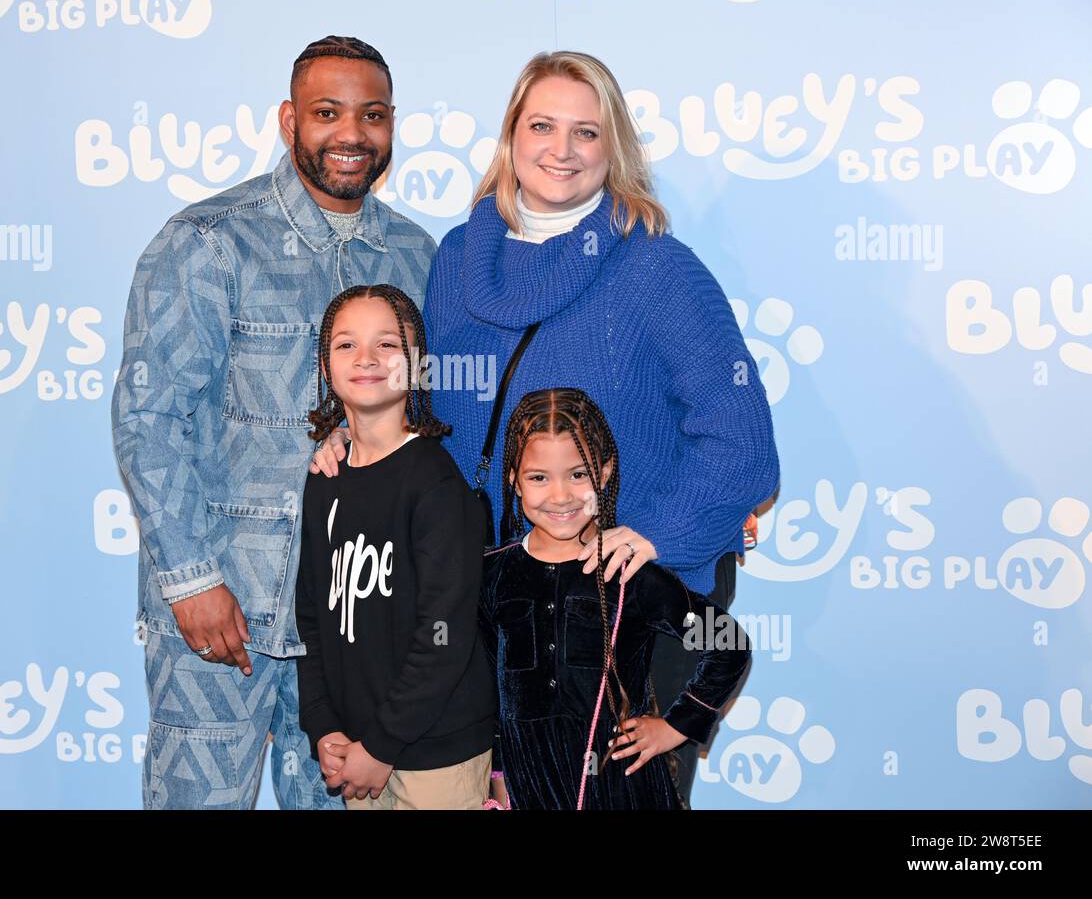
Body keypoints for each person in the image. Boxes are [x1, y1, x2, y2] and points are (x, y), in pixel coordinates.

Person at [310, 50, 778, 806]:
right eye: (543, 126)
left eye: (587, 132)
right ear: (510, 139)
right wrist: (353, 435)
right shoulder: (460, 257)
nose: (562, 150)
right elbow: (427, 401)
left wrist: (654, 535)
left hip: (618, 615)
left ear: (614, 148)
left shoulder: (658, 269)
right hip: (491, 606)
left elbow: (744, 443)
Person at [111, 35, 437, 809]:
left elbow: (427, 432)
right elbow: (149, 417)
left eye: (372, 114)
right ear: (290, 118)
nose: (351, 133)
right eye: (328, 112)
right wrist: (191, 579)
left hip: (359, 615)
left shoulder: (418, 256)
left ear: (393, 125)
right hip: (225, 615)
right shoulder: (208, 242)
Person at [480, 388, 751, 809]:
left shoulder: (629, 571)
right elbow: (485, 694)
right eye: (538, 477)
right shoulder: (491, 574)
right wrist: (497, 777)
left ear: (604, 474)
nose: (560, 495)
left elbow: (728, 644)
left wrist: (676, 726)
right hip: (530, 791)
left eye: (578, 474)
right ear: (513, 479)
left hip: (625, 792)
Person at [294, 284, 496, 809]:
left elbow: (444, 635)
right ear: (324, 365)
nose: (366, 358)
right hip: (356, 747)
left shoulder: (435, 484)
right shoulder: (324, 479)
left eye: (387, 345)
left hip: (436, 751)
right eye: (346, 345)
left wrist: (383, 744)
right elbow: (313, 620)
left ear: (418, 365)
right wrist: (324, 727)